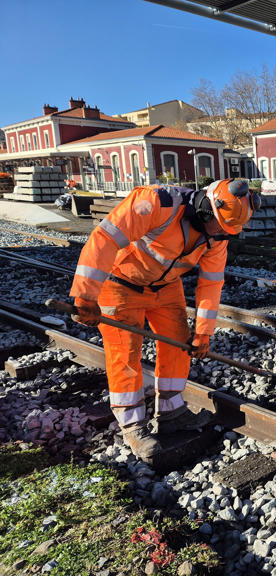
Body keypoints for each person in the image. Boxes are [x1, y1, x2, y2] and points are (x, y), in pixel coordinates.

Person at [69, 179, 256, 461]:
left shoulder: (218, 238)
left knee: (179, 344)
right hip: (120, 283)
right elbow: (105, 239)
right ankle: (133, 426)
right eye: (218, 225)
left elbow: (211, 283)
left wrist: (203, 334)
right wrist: (85, 296)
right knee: (125, 354)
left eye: (227, 230)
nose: (220, 233)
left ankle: (172, 413)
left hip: (166, 287)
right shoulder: (158, 203)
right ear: (205, 208)